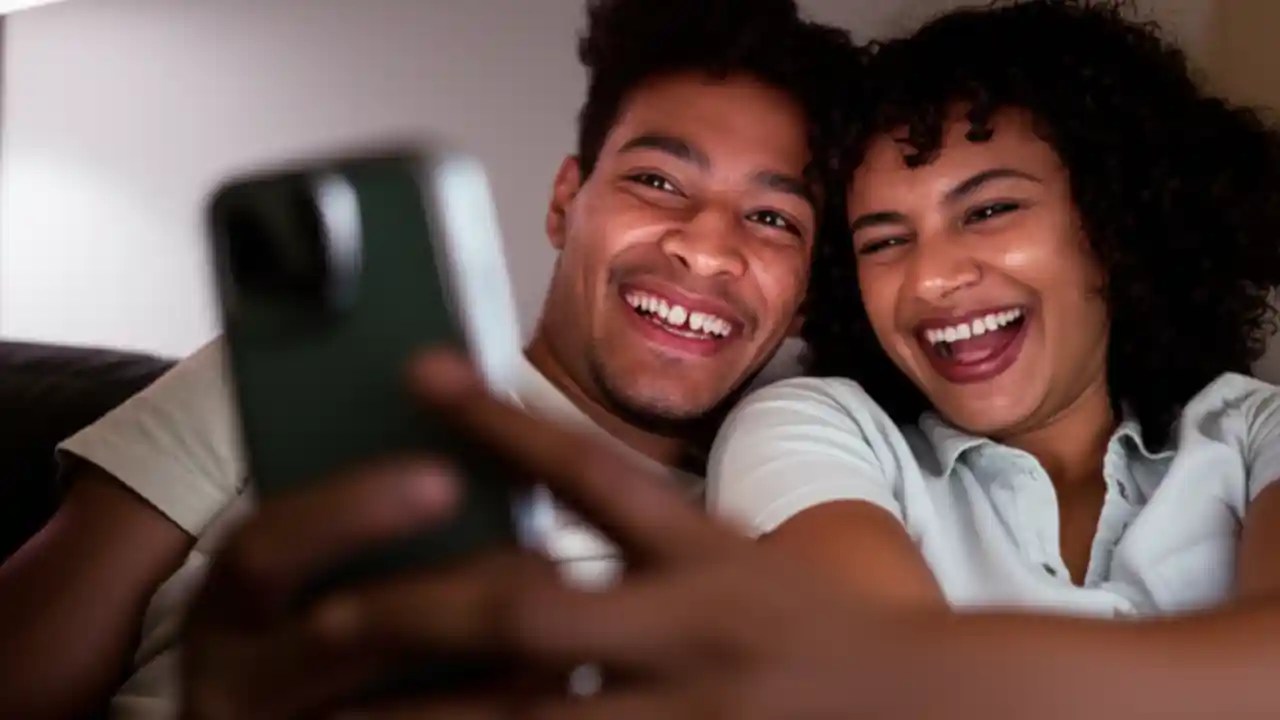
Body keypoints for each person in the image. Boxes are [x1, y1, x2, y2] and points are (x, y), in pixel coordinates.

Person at [181, 2, 1280, 718]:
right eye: (881, 240)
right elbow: (876, 669)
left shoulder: (1251, 429)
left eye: (985, 210)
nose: (932, 276)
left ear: (1113, 224)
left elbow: (887, 678)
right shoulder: (815, 424)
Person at [0, 1, 855, 717]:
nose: (706, 250)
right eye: (658, 182)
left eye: (774, 219)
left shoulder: (788, 530)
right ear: (567, 202)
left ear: (807, 293)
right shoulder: (299, 371)